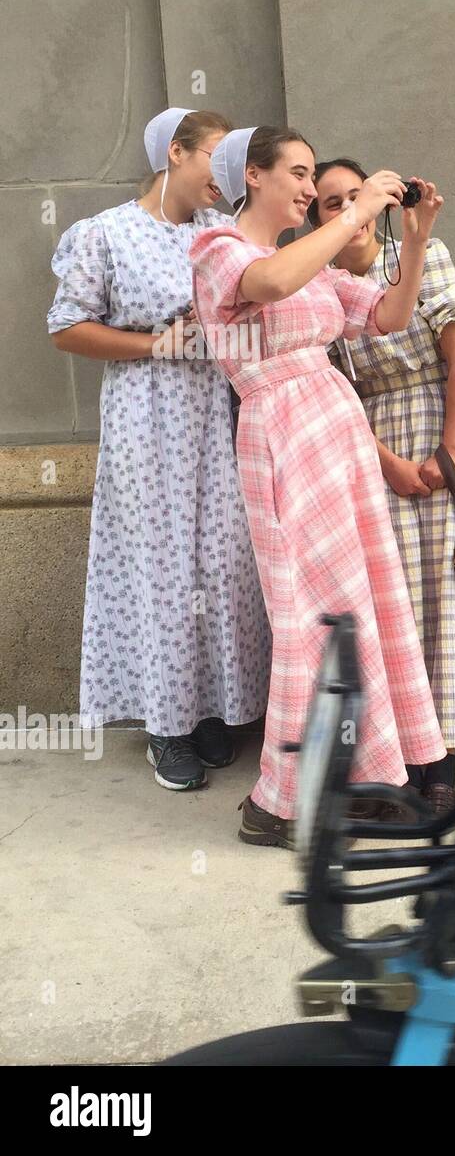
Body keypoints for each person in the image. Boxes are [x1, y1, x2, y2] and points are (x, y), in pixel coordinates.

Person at [190, 126, 446, 847]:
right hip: (281, 435)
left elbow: (387, 316)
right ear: (255, 176)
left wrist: (415, 240)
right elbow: (267, 284)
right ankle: (277, 802)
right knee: (310, 617)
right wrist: (355, 211)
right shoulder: (219, 251)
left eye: (313, 176)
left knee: (360, 604)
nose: (309, 188)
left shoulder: (305, 257)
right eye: (298, 174)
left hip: (336, 434)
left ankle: (360, 779)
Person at [47, 108, 270, 792]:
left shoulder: (223, 233)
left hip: (217, 412)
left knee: (223, 561)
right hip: (147, 415)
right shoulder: (107, 234)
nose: (227, 174)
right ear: (176, 153)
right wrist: (151, 343)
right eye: (216, 157)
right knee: (163, 567)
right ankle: (165, 725)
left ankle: (212, 708)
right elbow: (67, 327)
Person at [308, 157, 455, 820]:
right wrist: (389, 462)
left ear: (378, 202)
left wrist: (448, 453)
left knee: (454, 594)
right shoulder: (325, 287)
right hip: (371, 441)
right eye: (327, 204)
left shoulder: (421, 254)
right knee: (396, 601)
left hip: (449, 424)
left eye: (351, 198)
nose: (342, 212)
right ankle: (411, 759)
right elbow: (333, 389)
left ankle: (449, 759)